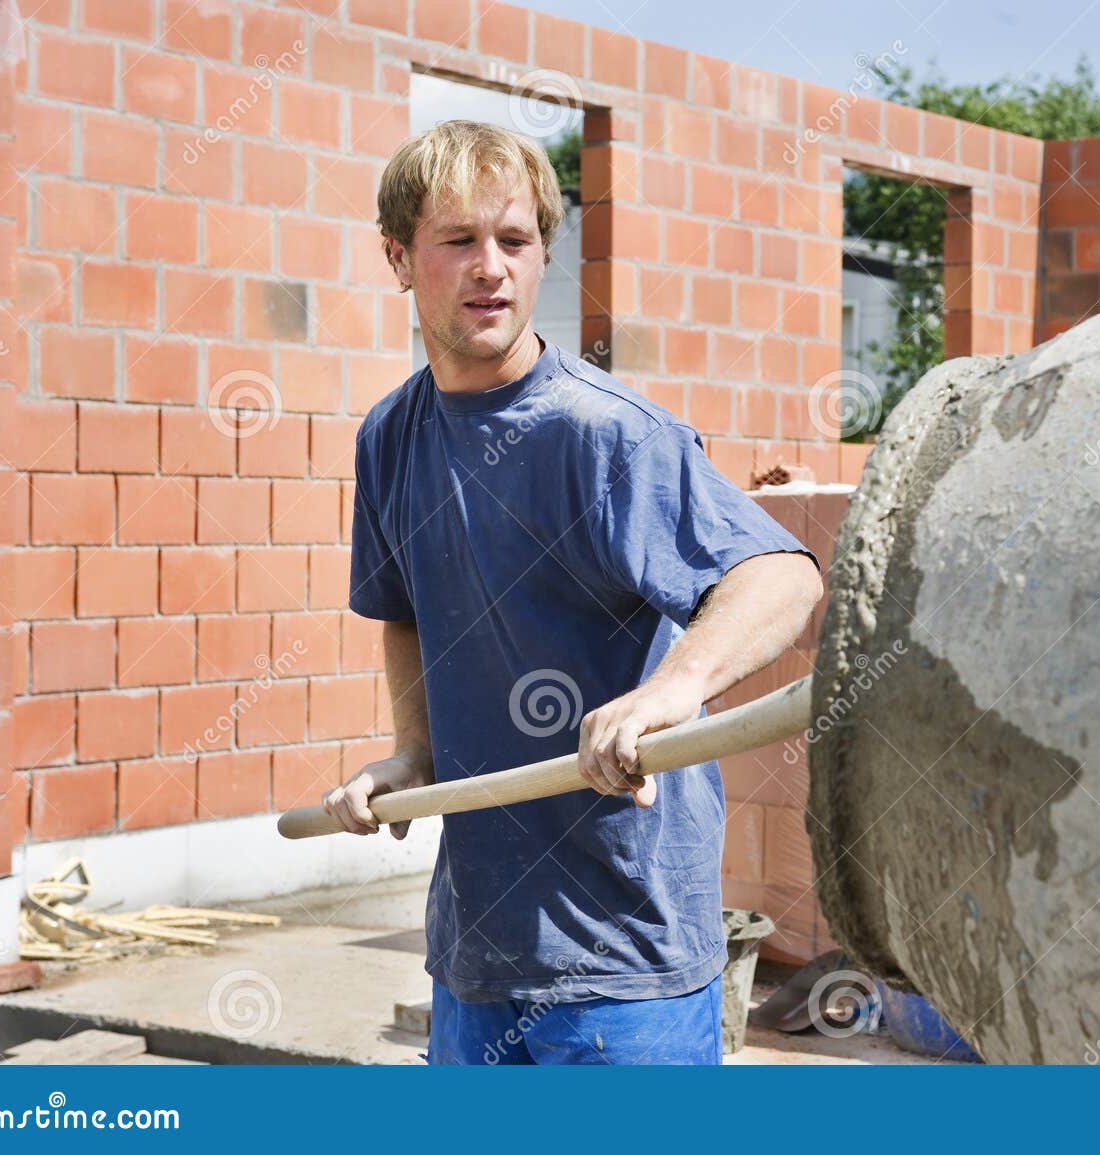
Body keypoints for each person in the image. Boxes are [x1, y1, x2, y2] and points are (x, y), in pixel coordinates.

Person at [323, 120, 823, 1065]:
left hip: (623, 956)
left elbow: (782, 574)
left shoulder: (607, 435)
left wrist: (670, 690)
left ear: (542, 255)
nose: (491, 268)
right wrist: (415, 753)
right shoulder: (390, 438)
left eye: (515, 240)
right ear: (397, 257)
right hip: (476, 945)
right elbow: (405, 611)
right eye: (459, 239)